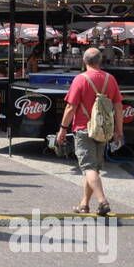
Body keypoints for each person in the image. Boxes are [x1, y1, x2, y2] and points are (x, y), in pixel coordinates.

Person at [56, 48, 124, 217]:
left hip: (83, 128)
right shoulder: (110, 79)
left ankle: (103, 201)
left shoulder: (81, 79)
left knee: (88, 168)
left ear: (84, 61)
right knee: (93, 168)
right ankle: (84, 204)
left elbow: (71, 107)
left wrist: (63, 129)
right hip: (102, 129)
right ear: (100, 61)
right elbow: (118, 106)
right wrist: (119, 130)